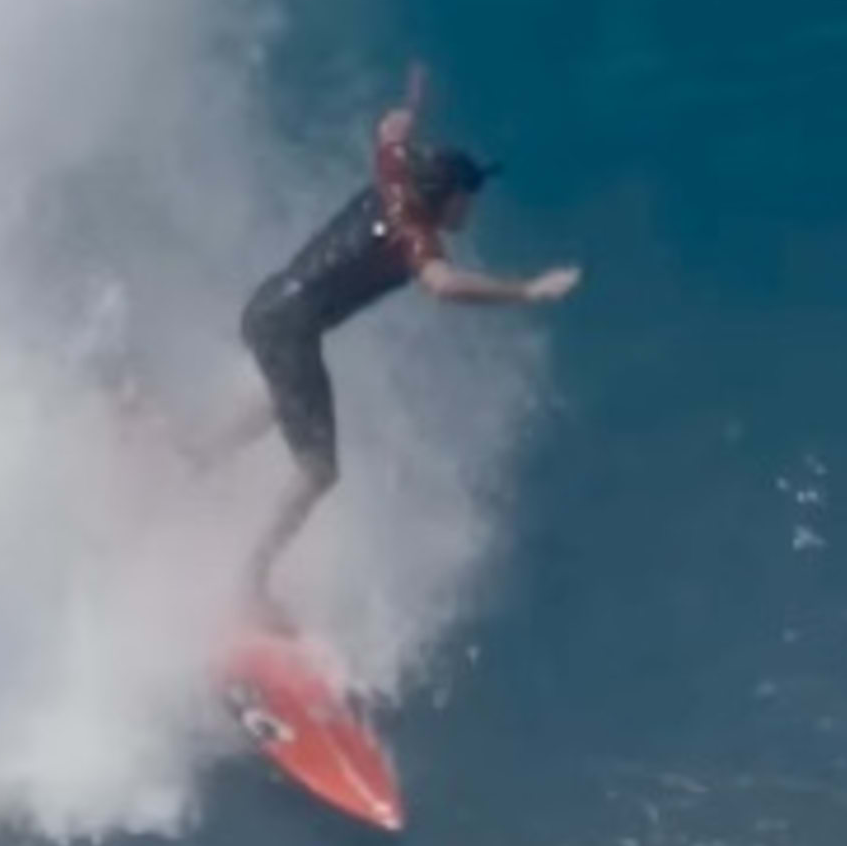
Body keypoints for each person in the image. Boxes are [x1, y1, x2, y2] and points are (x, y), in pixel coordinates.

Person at [213, 70, 579, 619]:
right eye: (466, 199)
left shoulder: (395, 171)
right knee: (319, 471)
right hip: (290, 329)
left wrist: (414, 97)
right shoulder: (415, 231)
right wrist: (527, 289)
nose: (469, 210)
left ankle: (192, 454)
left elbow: (390, 129)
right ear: (447, 198)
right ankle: (250, 580)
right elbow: (442, 284)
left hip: (267, 307)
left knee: (280, 402)